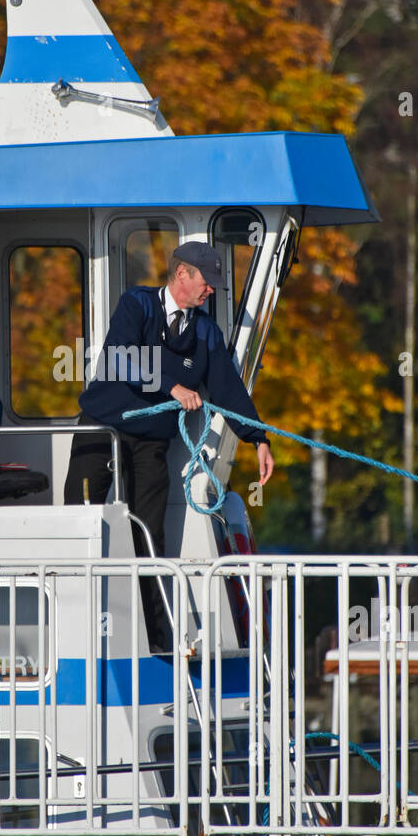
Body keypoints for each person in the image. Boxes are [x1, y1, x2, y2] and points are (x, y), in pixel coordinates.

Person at [63, 241, 274, 651]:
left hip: (151, 443)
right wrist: (172, 387)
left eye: (214, 285)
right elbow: (119, 360)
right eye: (206, 282)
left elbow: (229, 389)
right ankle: (73, 630)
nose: (210, 291)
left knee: (150, 537)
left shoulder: (205, 332)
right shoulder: (136, 304)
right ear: (182, 275)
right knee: (79, 516)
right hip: (103, 427)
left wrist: (257, 437)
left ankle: (156, 638)